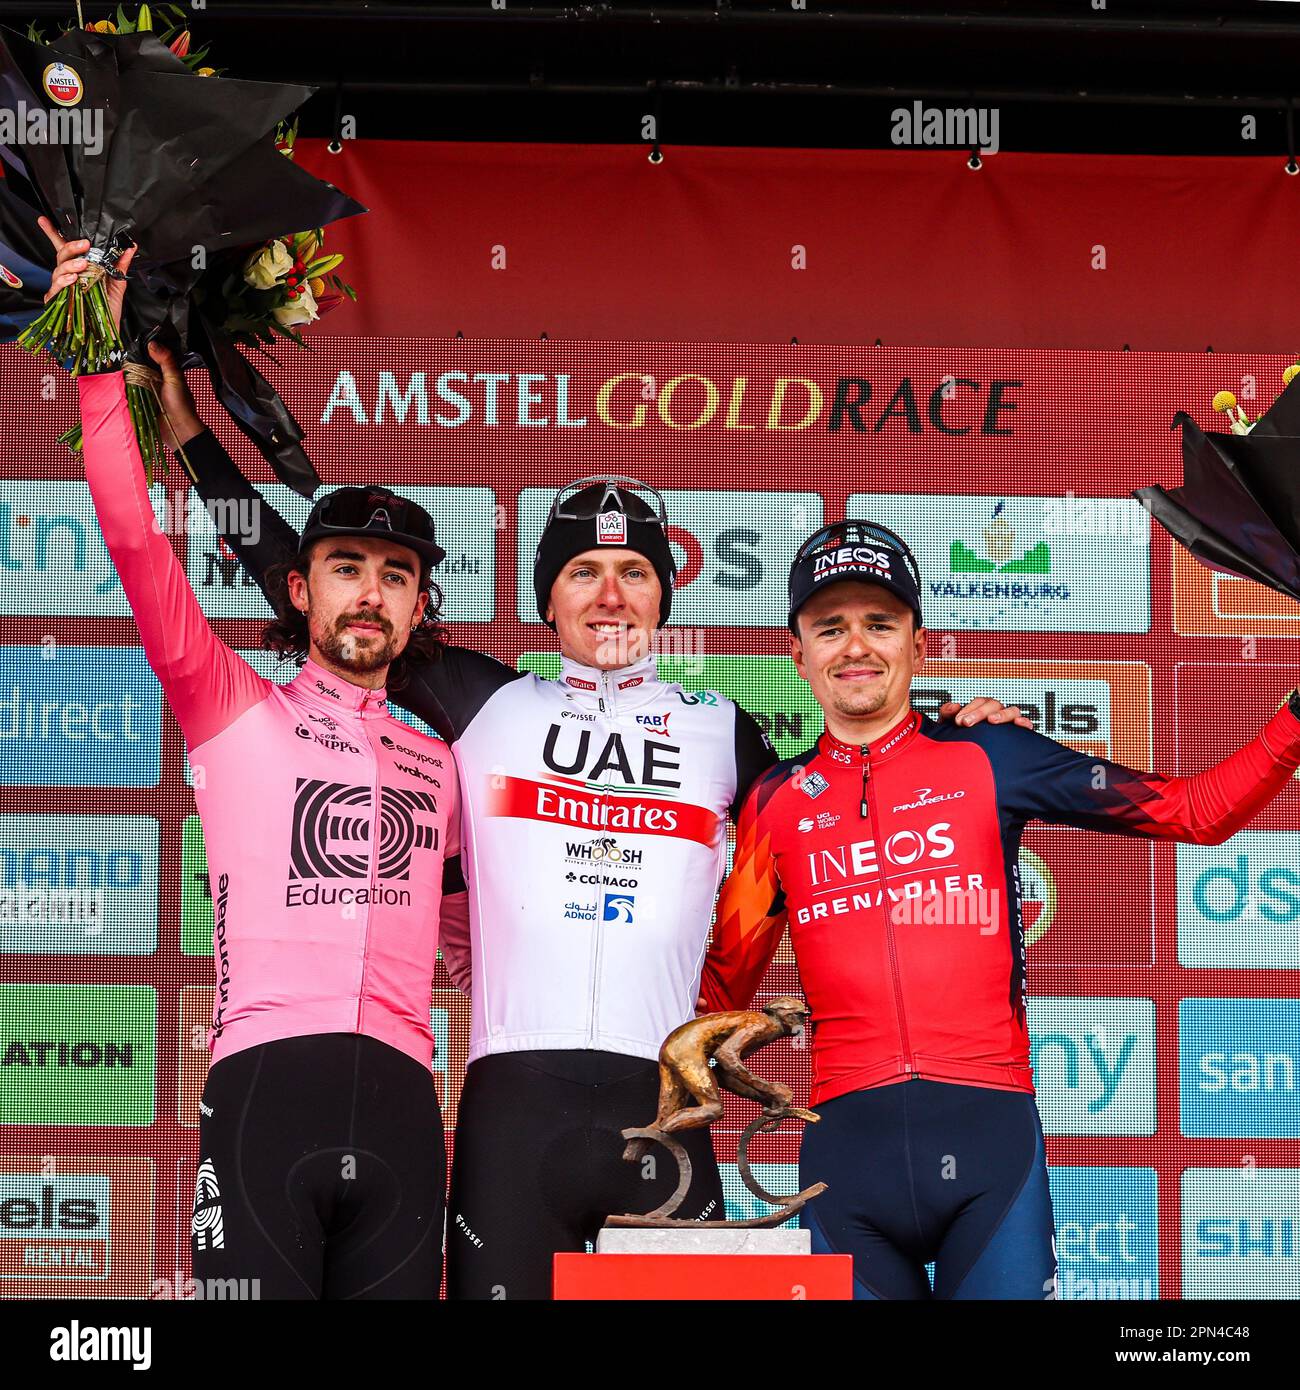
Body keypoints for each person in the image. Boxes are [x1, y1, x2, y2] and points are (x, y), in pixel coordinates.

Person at [46, 230, 1028, 1297]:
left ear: (663, 598)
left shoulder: (722, 733)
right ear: (548, 598)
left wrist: (950, 733)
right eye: (584, 574)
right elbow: (306, 579)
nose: (610, 594)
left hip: (668, 1111)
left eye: (633, 574)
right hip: (509, 1115)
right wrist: (190, 436)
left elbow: (850, 786)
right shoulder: (484, 705)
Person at [702, 518, 1300, 1300]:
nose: (856, 647)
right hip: (845, 1165)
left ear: (919, 645)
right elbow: (720, 994)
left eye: (880, 624)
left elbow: (1196, 812)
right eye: (830, 627)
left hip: (989, 1148)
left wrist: (1296, 716)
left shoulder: (991, 753)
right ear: (799, 653)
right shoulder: (772, 805)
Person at [44, 221, 466, 1300]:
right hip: (269, 1089)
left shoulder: (447, 759)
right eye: (344, 567)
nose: (368, 590)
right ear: (299, 588)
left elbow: (486, 932)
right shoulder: (228, 704)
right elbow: (136, 539)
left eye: (392, 574)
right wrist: (98, 354)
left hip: (409, 1111)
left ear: (419, 607)